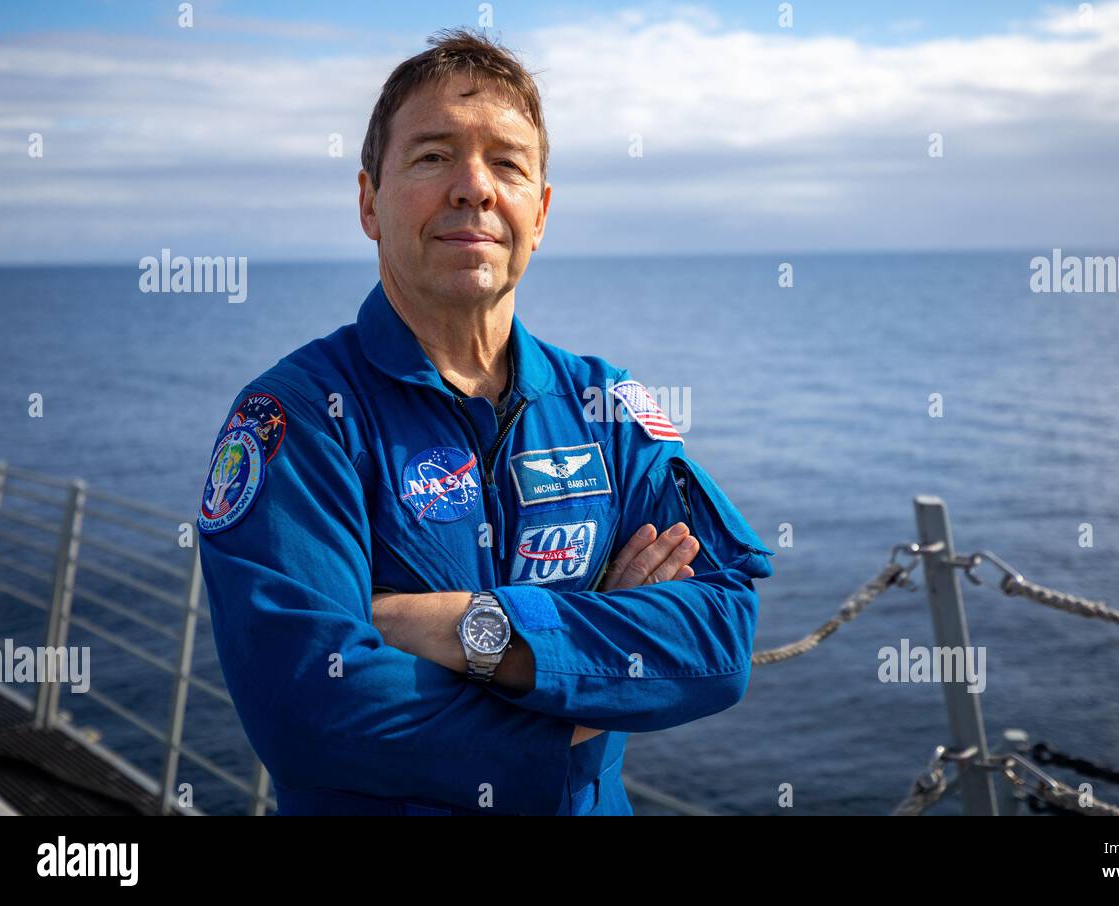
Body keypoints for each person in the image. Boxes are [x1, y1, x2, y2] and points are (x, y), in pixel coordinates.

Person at [196, 27, 774, 816]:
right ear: (369, 201)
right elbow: (309, 710)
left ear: (539, 212)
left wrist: (479, 630)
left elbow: (719, 637)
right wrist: (589, 678)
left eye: (506, 162)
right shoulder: (297, 419)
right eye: (433, 156)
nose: (473, 188)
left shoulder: (606, 405)